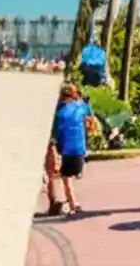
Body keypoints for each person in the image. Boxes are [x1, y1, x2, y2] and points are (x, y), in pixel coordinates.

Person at [51, 83, 93, 215]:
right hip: (80, 148)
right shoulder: (81, 107)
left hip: (67, 150)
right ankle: (72, 202)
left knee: (66, 178)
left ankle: (74, 204)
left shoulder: (59, 112)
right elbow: (90, 115)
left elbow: (56, 133)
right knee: (70, 175)